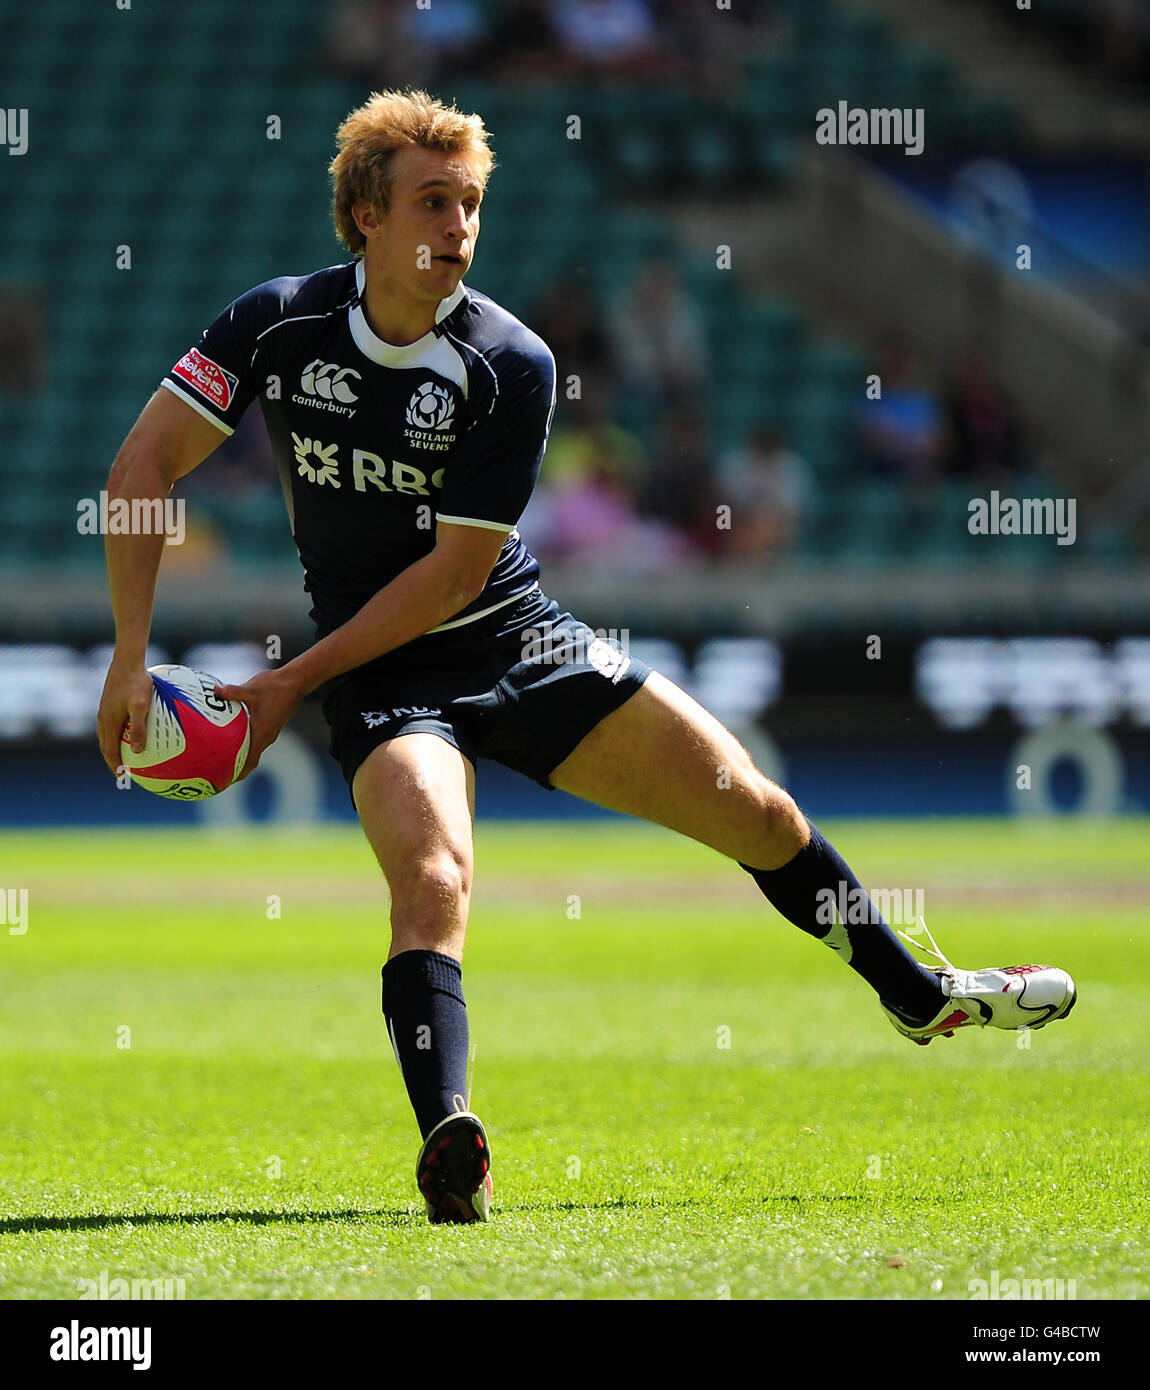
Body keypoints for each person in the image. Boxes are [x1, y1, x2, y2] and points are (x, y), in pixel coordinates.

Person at [96, 89, 1077, 1226]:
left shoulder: (509, 358)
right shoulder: (273, 324)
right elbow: (139, 471)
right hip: (385, 674)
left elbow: (455, 579)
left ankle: (918, 995)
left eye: (470, 203)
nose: (458, 225)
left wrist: (282, 685)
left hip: (519, 640)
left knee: (758, 813)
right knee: (434, 878)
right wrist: (132, 661)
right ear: (364, 214)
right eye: (431, 201)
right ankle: (449, 1137)